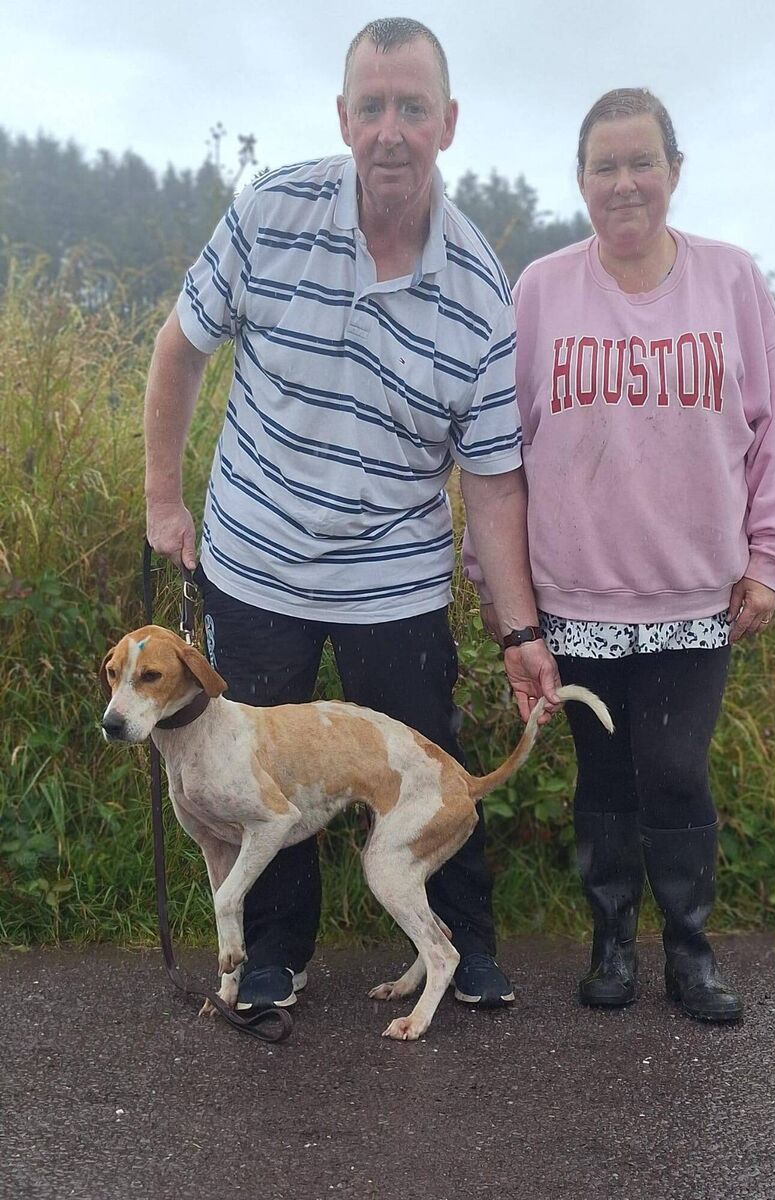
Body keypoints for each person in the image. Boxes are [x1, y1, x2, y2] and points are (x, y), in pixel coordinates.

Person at [143, 17, 560, 1014]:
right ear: (342, 116)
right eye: (370, 106)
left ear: (446, 123)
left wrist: (519, 630)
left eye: (412, 108)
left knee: (429, 760)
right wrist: (164, 498)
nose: (389, 129)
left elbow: (493, 482)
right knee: (258, 773)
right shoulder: (269, 209)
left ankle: (470, 950)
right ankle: (277, 958)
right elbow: (180, 349)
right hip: (256, 560)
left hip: (396, 581)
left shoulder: (477, 292)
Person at [466, 89, 775, 1022]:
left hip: (698, 592)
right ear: (580, 180)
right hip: (576, 594)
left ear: (672, 170)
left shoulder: (731, 280)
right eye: (603, 166)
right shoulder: (540, 290)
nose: (623, 184)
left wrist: (770, 559)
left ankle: (690, 952)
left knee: (674, 770)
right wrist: (509, 604)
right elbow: (497, 448)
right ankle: (611, 939)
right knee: (605, 774)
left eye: (640, 163)